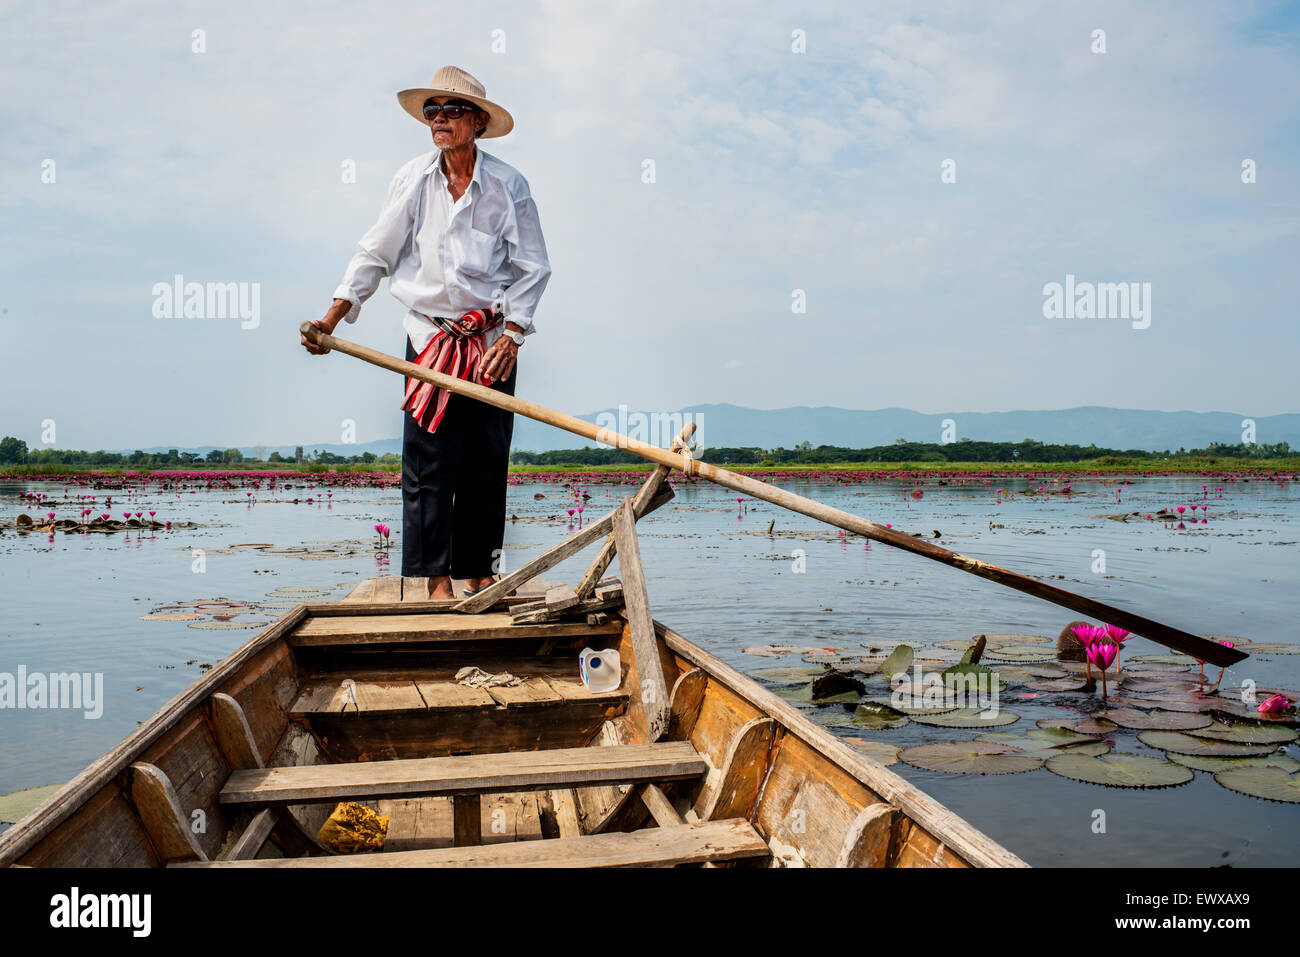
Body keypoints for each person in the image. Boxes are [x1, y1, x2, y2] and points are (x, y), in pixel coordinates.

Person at [302, 66, 551, 599]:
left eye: (452, 110)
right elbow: (376, 252)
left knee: (486, 462)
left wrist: (512, 336)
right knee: (429, 463)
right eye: (432, 111)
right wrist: (332, 316)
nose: (439, 120)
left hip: (489, 344)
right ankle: (437, 581)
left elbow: (533, 268)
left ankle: (481, 574)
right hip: (429, 340)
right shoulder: (412, 179)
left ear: (478, 122)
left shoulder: (509, 185)